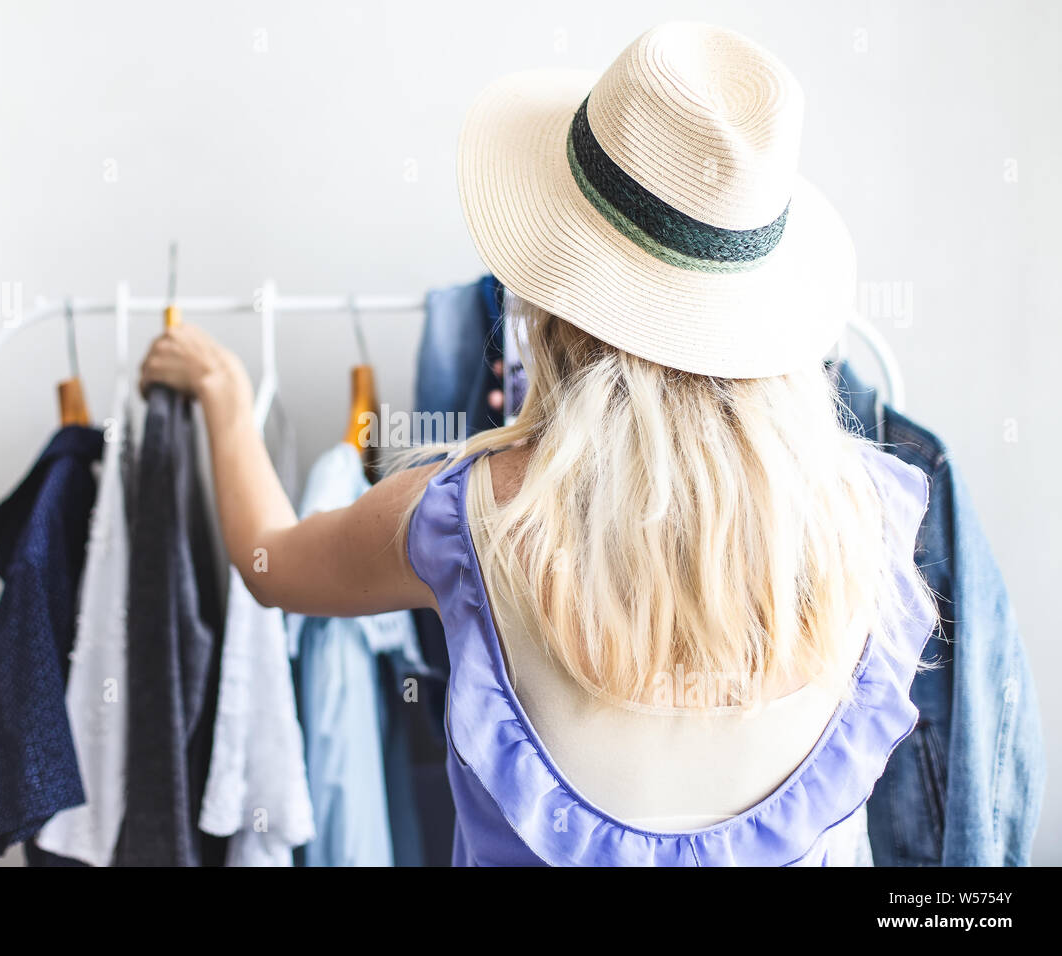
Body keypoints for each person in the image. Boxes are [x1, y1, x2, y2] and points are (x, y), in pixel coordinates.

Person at [138, 22, 939, 867]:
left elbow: (272, 565)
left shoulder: (470, 519)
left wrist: (228, 398)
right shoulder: (875, 517)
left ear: (554, 303)